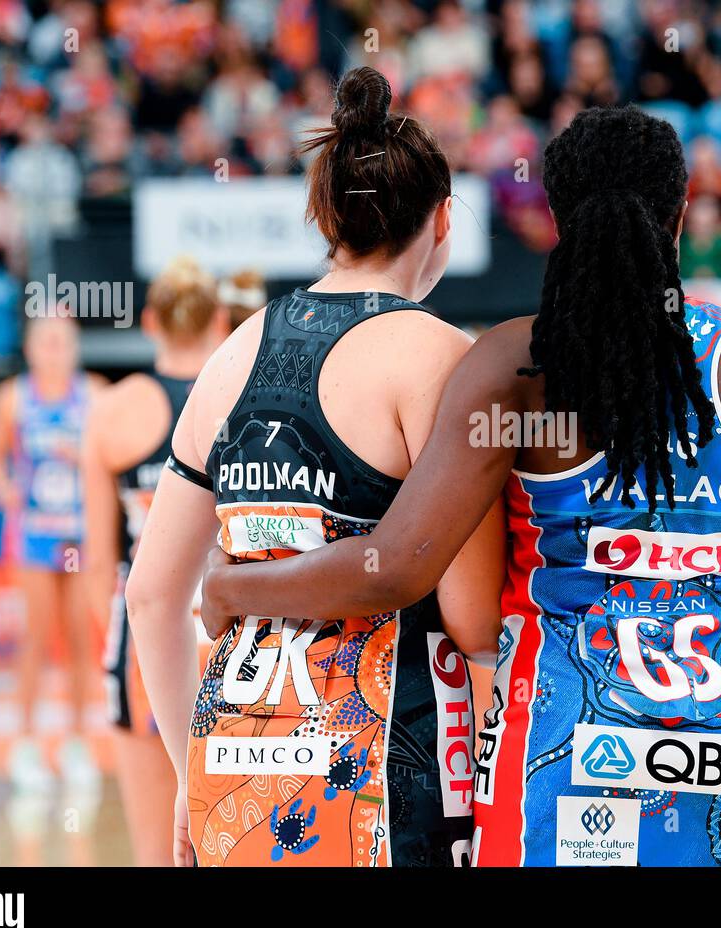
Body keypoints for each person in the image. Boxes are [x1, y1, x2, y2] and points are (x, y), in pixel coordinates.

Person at [199, 105, 721, 867]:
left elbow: (399, 567)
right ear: (679, 216)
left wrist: (234, 589)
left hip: (566, 765)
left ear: (556, 219)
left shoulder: (513, 368)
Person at [125, 67, 506, 868]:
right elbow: (474, 625)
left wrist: (190, 772)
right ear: (442, 222)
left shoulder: (232, 354)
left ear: (326, 218)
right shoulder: (441, 356)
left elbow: (152, 594)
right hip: (382, 774)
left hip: (239, 768)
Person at [81, 256, 229, 866]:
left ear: (150, 322)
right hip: (232, 632)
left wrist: (115, 645)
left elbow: (96, 562)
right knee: (238, 838)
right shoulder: (244, 400)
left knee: (156, 851)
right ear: (220, 320)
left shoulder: (114, 410)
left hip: (146, 634)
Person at [0, 312, 103, 793]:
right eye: (46, 342)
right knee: (33, 637)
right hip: (31, 534)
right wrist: (3, 487)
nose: (54, 350)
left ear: (74, 348)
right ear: (31, 349)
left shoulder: (93, 394)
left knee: (79, 637)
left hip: (79, 534)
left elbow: (112, 458)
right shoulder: (11, 398)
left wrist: (87, 458)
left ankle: (76, 741)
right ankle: (26, 743)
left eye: (62, 342)